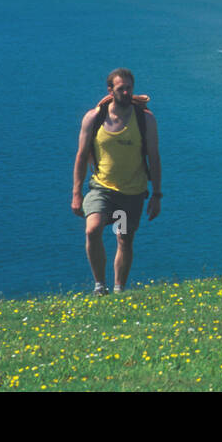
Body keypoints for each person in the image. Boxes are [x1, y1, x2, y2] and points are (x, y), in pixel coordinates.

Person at [71, 68, 162, 294]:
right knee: (92, 230)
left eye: (129, 88)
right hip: (102, 189)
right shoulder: (94, 118)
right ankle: (100, 286)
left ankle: (119, 289)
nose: (126, 92)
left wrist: (157, 195)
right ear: (110, 90)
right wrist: (76, 193)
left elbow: (154, 156)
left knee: (123, 239)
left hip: (131, 194)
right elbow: (81, 156)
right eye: (121, 88)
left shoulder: (145, 120)